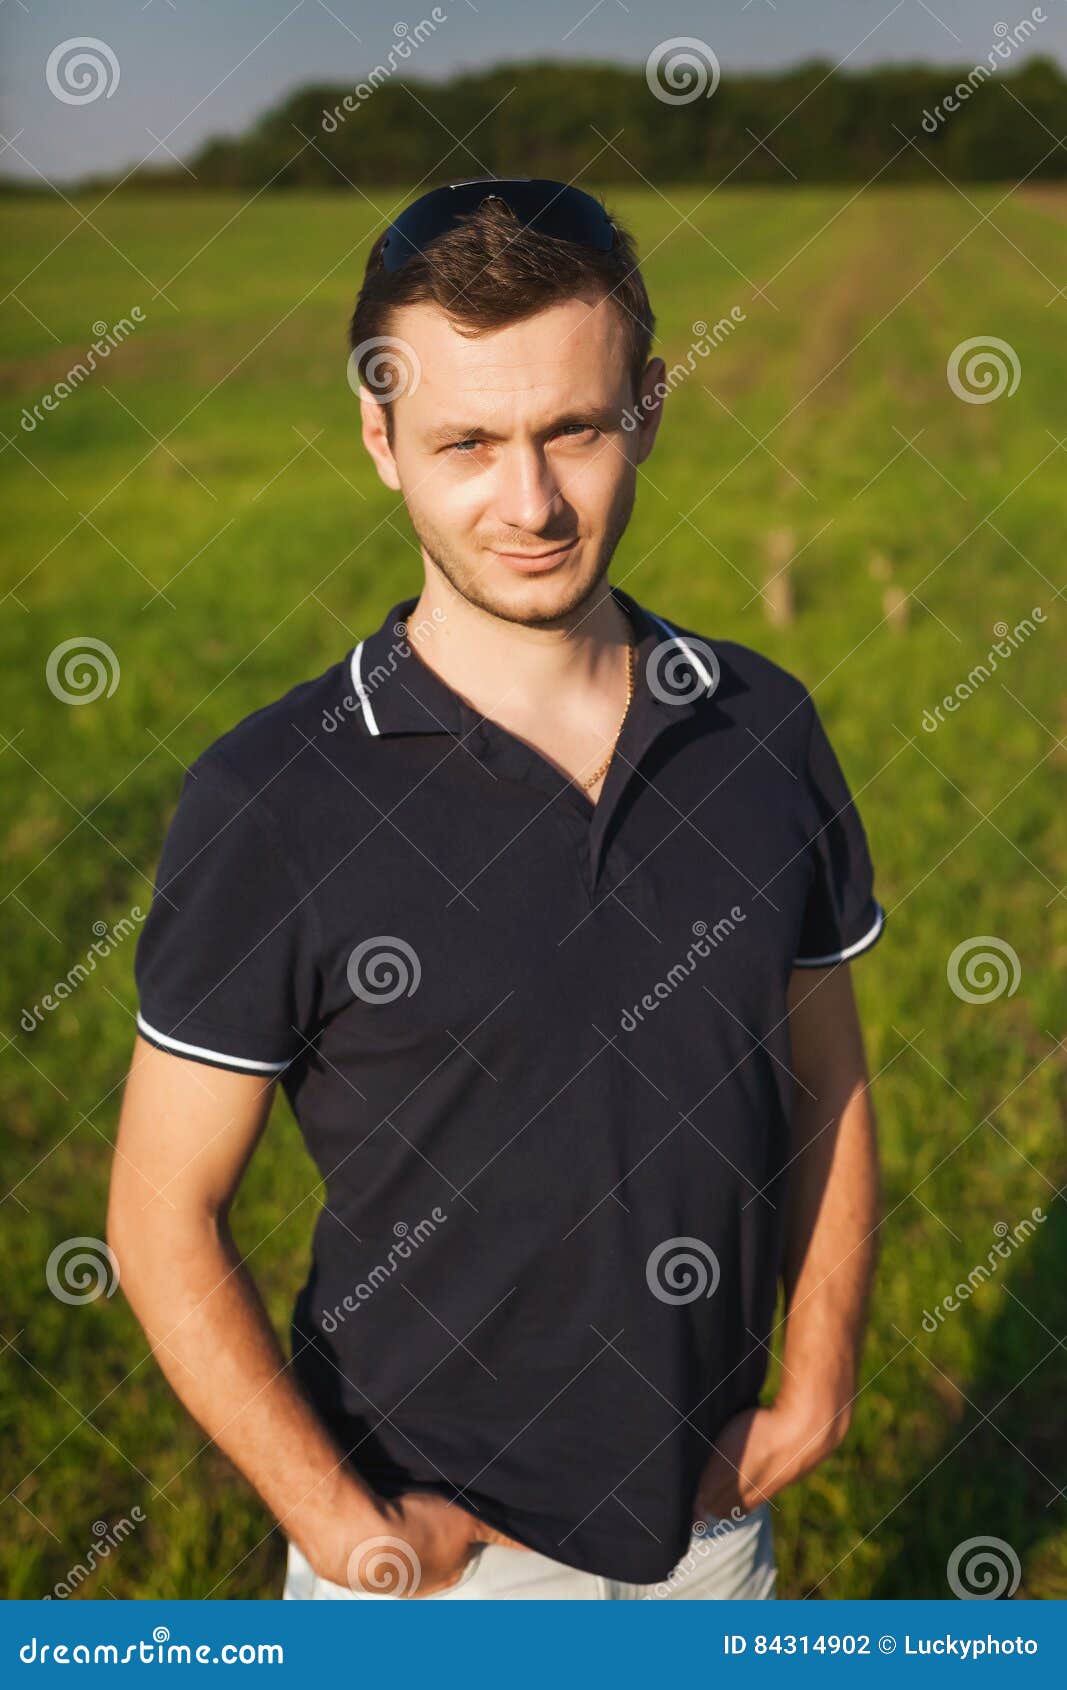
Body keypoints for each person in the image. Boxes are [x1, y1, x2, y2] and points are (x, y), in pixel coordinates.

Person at [107, 178, 885, 1602]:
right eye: (467, 440)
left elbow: (824, 1075)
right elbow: (160, 1211)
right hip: (438, 1570)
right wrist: (349, 1532)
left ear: (646, 406)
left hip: (706, 1536)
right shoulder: (274, 798)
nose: (528, 503)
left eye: (572, 430)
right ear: (379, 435)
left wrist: (822, 1369)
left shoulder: (763, 729)